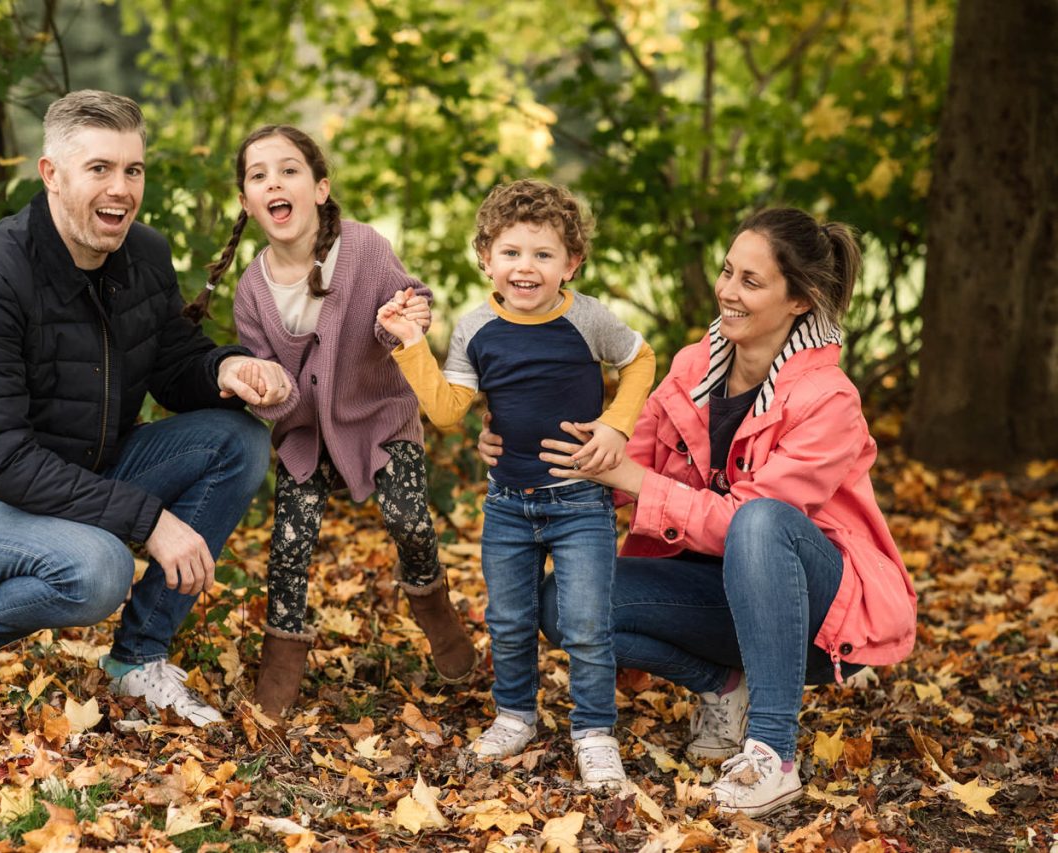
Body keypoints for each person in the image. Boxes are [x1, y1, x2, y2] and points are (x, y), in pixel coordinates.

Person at [480, 207, 916, 815]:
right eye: (728, 271)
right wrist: (517, 449)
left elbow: (747, 521)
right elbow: (616, 461)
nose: (727, 292)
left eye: (751, 282)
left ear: (799, 301)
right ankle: (724, 687)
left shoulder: (829, 400)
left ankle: (772, 753)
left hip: (816, 618)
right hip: (715, 592)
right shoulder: (693, 367)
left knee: (761, 520)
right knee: (562, 604)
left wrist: (637, 480)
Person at [0, 90, 288, 726]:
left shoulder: (143, 254)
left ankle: (137, 661)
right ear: (51, 174)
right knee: (98, 568)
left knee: (237, 440)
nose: (121, 188)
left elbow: (172, 360)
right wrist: (150, 521)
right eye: (100, 168)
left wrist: (229, 369)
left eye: (133, 169)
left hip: (74, 474)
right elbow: (0, 459)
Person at [184, 124, 476, 717]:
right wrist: (267, 386)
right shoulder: (251, 291)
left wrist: (406, 313)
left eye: (289, 170)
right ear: (246, 202)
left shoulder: (363, 249)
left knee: (411, 523)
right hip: (307, 433)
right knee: (288, 550)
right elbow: (268, 379)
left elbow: (404, 300)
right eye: (258, 175)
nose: (274, 182)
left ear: (319, 188)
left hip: (377, 418)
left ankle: (433, 604)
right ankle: (283, 657)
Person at [377, 179, 655, 791]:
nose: (525, 267)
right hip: (508, 503)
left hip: (580, 501)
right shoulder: (476, 327)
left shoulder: (586, 318)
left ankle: (594, 732)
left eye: (543, 254)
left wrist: (616, 425)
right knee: (507, 618)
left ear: (571, 263)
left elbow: (640, 359)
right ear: (486, 258)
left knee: (585, 622)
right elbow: (450, 411)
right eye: (511, 253)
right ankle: (515, 715)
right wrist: (410, 347)